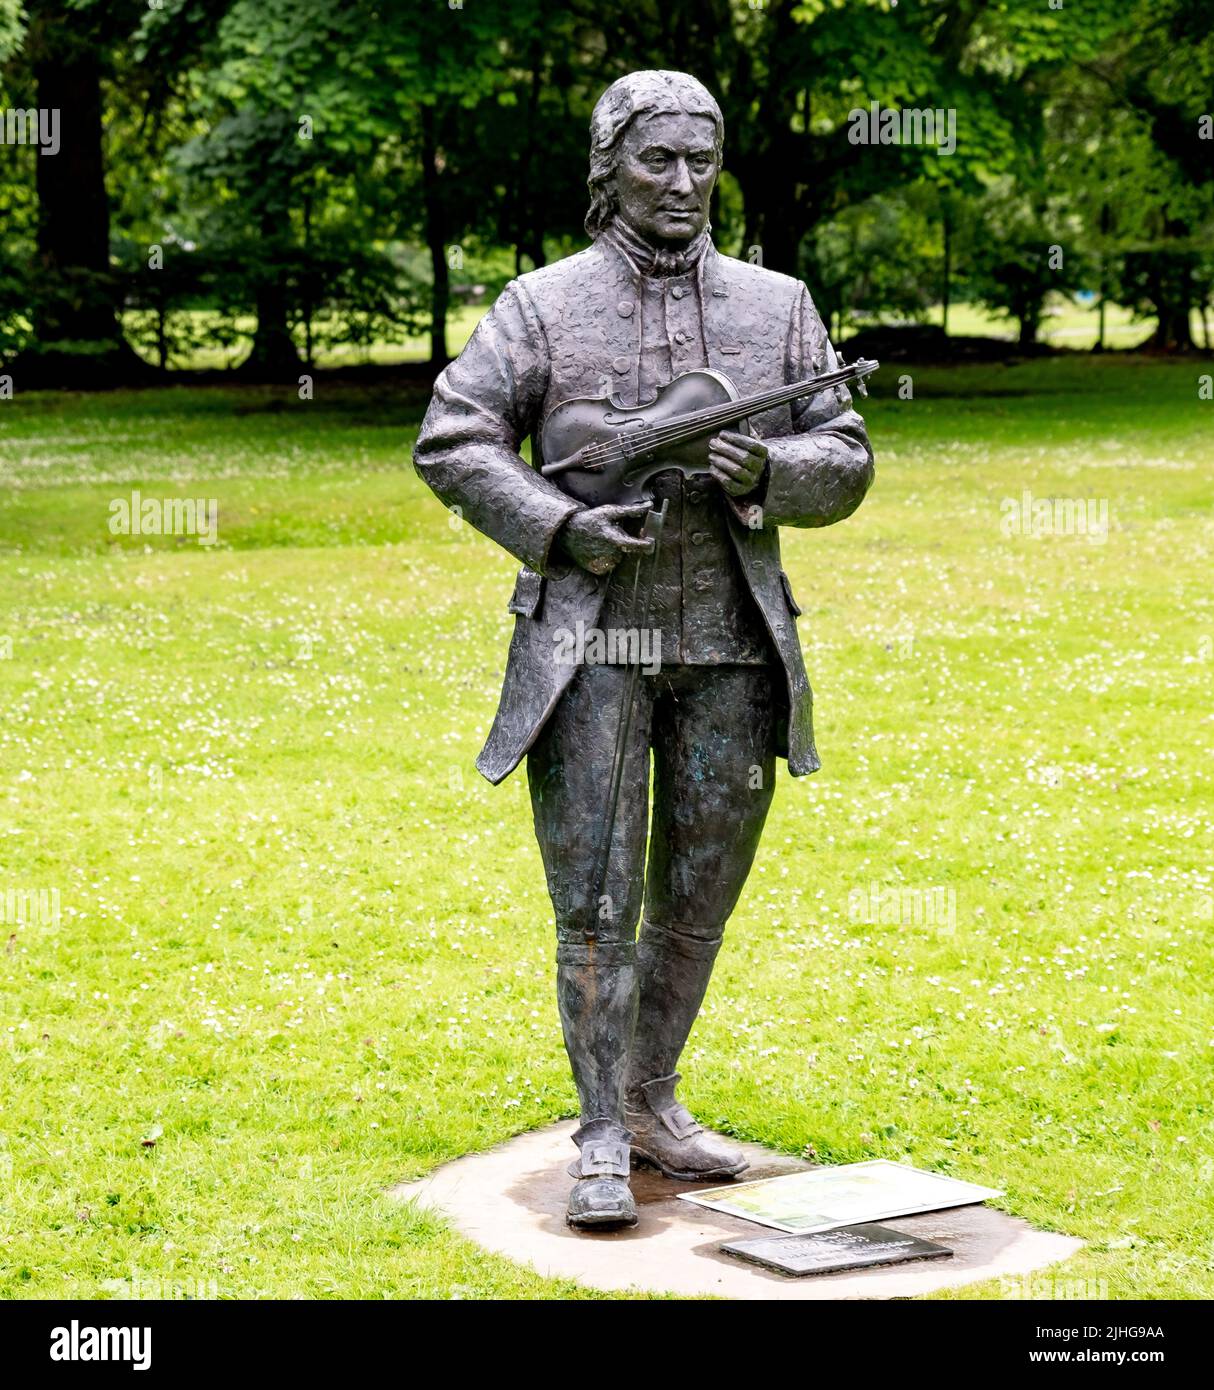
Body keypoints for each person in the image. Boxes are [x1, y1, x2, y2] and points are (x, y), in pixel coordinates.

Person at [414, 70, 874, 1229]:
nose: (680, 184)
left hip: (728, 641)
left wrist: (776, 470)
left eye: (700, 160)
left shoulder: (777, 306)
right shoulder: (540, 303)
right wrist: (560, 524)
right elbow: (456, 437)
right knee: (594, 897)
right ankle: (602, 1133)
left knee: (698, 890)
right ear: (608, 163)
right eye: (654, 160)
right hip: (593, 646)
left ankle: (655, 1095)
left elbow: (846, 452)